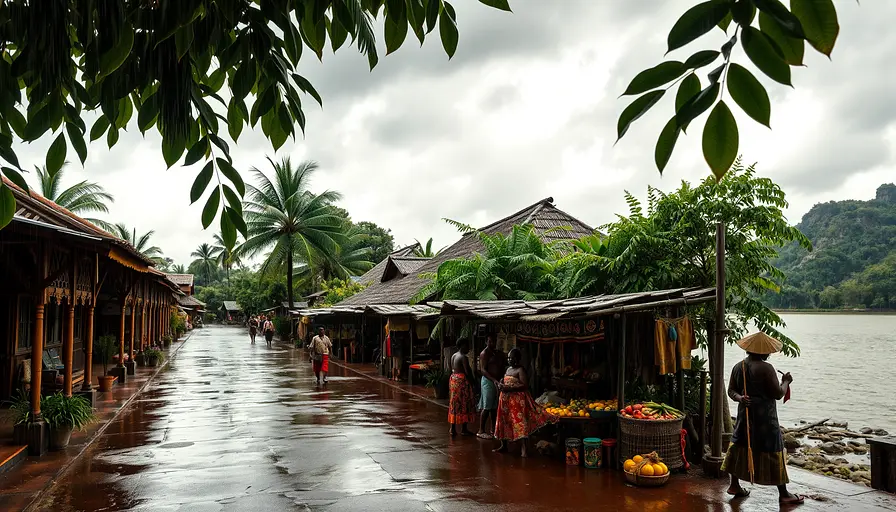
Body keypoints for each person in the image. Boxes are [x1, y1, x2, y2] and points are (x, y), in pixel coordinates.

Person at [722, 332, 804, 505]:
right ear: (764, 352)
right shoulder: (766, 368)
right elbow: (777, 393)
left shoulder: (738, 367)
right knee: (774, 450)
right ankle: (784, 493)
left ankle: (734, 484)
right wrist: (786, 381)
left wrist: (740, 398)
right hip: (765, 419)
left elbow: (731, 391)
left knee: (739, 446)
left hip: (745, 416)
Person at [493, 348, 556, 457]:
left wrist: (510, 388)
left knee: (520, 424)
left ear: (517, 359)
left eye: (511, 358)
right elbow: (505, 380)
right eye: (508, 358)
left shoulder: (520, 370)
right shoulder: (508, 369)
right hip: (505, 401)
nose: (509, 360)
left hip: (517, 401)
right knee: (504, 421)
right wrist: (501, 384)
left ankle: (524, 448)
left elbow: (524, 385)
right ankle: (504, 445)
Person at [477, 334, 504, 439]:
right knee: (486, 406)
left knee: (494, 407)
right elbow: (483, 370)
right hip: (488, 381)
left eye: (494, 341)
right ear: (486, 342)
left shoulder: (496, 353)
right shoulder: (484, 353)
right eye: (490, 341)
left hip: (495, 381)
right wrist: (494, 380)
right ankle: (481, 430)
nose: (492, 343)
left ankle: (493, 429)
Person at [448, 341, 477, 436]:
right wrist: (473, 383)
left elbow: (450, 368)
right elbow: (467, 371)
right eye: (467, 346)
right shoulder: (463, 357)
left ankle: (452, 428)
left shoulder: (453, 355)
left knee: (454, 403)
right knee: (464, 403)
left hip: (454, 380)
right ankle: (464, 428)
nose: (468, 348)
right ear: (462, 346)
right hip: (461, 382)